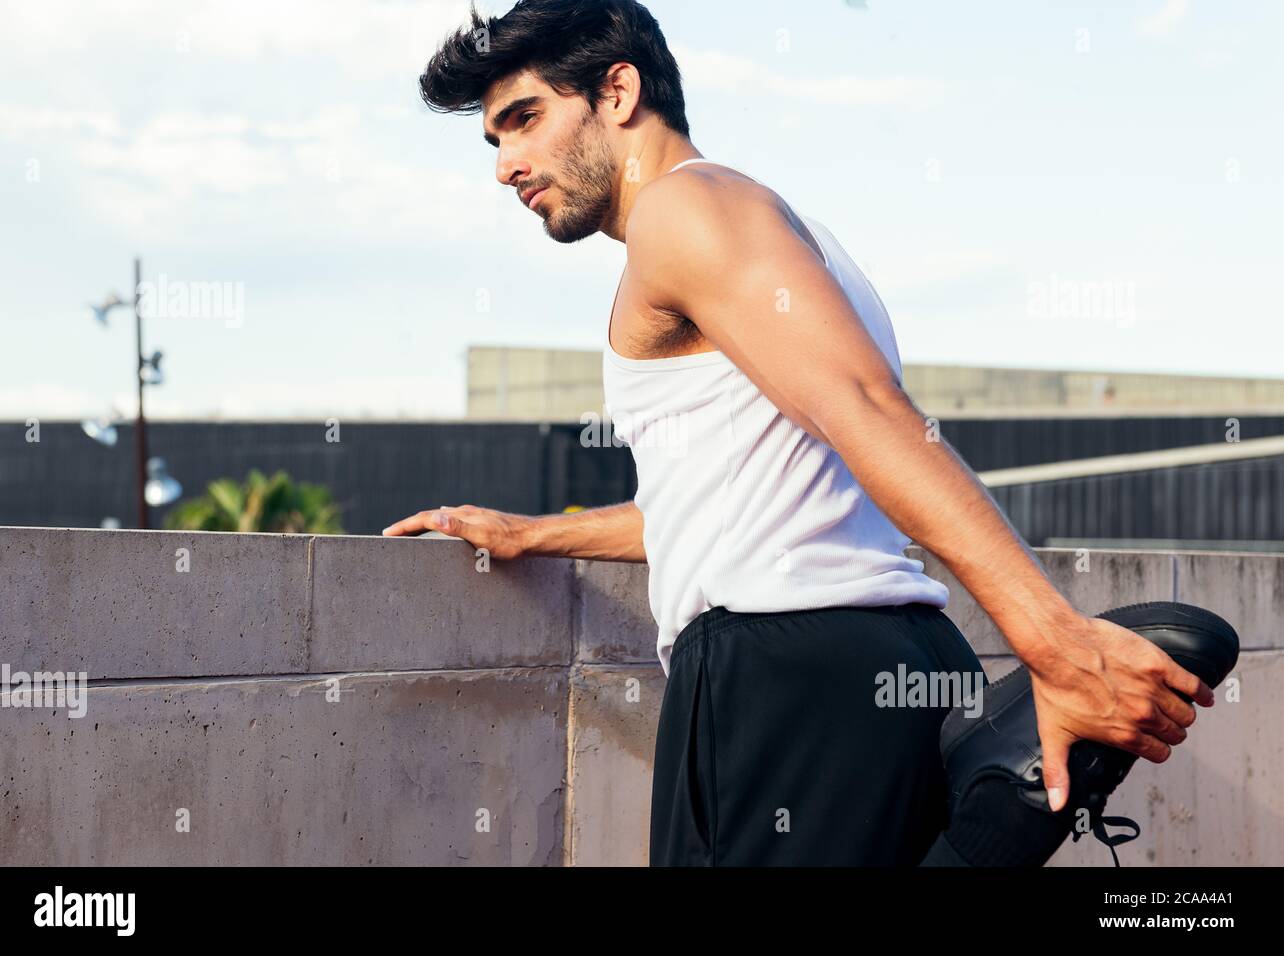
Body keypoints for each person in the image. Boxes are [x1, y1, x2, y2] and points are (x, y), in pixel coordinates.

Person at [384, 0, 1213, 865]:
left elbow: (867, 412)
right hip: (888, 655)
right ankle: (996, 798)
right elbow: (739, 495)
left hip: (782, 673)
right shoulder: (794, 236)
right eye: (494, 142)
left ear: (618, 92)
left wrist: (1056, 642)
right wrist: (535, 534)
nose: (506, 165)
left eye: (524, 119)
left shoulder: (685, 210)